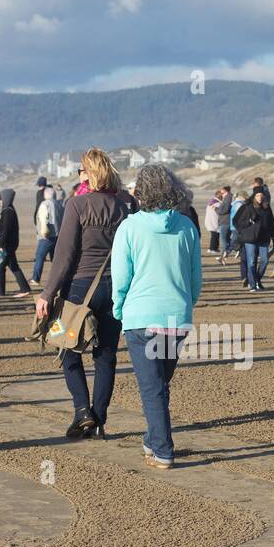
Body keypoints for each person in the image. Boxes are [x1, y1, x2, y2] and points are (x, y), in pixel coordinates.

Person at [35, 148, 134, 438]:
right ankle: (99, 420)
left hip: (78, 288)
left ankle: (82, 410)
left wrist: (47, 293)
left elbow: (64, 256)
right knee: (106, 356)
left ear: (88, 174)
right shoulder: (125, 207)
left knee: (66, 348)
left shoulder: (77, 205)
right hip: (115, 287)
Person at [110, 164, 203, 469]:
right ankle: (152, 440)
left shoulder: (129, 227)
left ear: (141, 192)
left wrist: (118, 308)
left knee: (153, 387)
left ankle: (162, 449)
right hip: (175, 317)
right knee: (160, 384)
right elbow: (195, 278)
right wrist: (186, 303)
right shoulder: (187, 227)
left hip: (141, 318)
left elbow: (121, 276)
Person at [0, 189, 31, 297]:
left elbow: (5, 230)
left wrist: (0, 245)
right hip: (9, 245)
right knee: (13, 266)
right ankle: (24, 288)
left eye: (0, 199)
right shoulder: (7, 210)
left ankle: (1, 292)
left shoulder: (8, 212)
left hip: (6, 245)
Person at [235, 188, 274, 292]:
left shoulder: (267, 208)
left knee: (265, 261)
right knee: (251, 262)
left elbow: (271, 223)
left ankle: (257, 280)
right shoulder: (247, 207)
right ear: (254, 196)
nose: (260, 198)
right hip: (250, 239)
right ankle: (252, 285)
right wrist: (247, 224)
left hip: (264, 238)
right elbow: (237, 221)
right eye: (257, 196)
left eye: (261, 196)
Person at [32, 186, 63, 283]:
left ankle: (35, 278)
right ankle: (59, 278)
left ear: (46, 195)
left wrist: (44, 232)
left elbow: (44, 219)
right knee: (55, 259)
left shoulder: (45, 204)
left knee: (40, 257)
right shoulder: (59, 205)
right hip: (58, 236)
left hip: (47, 236)